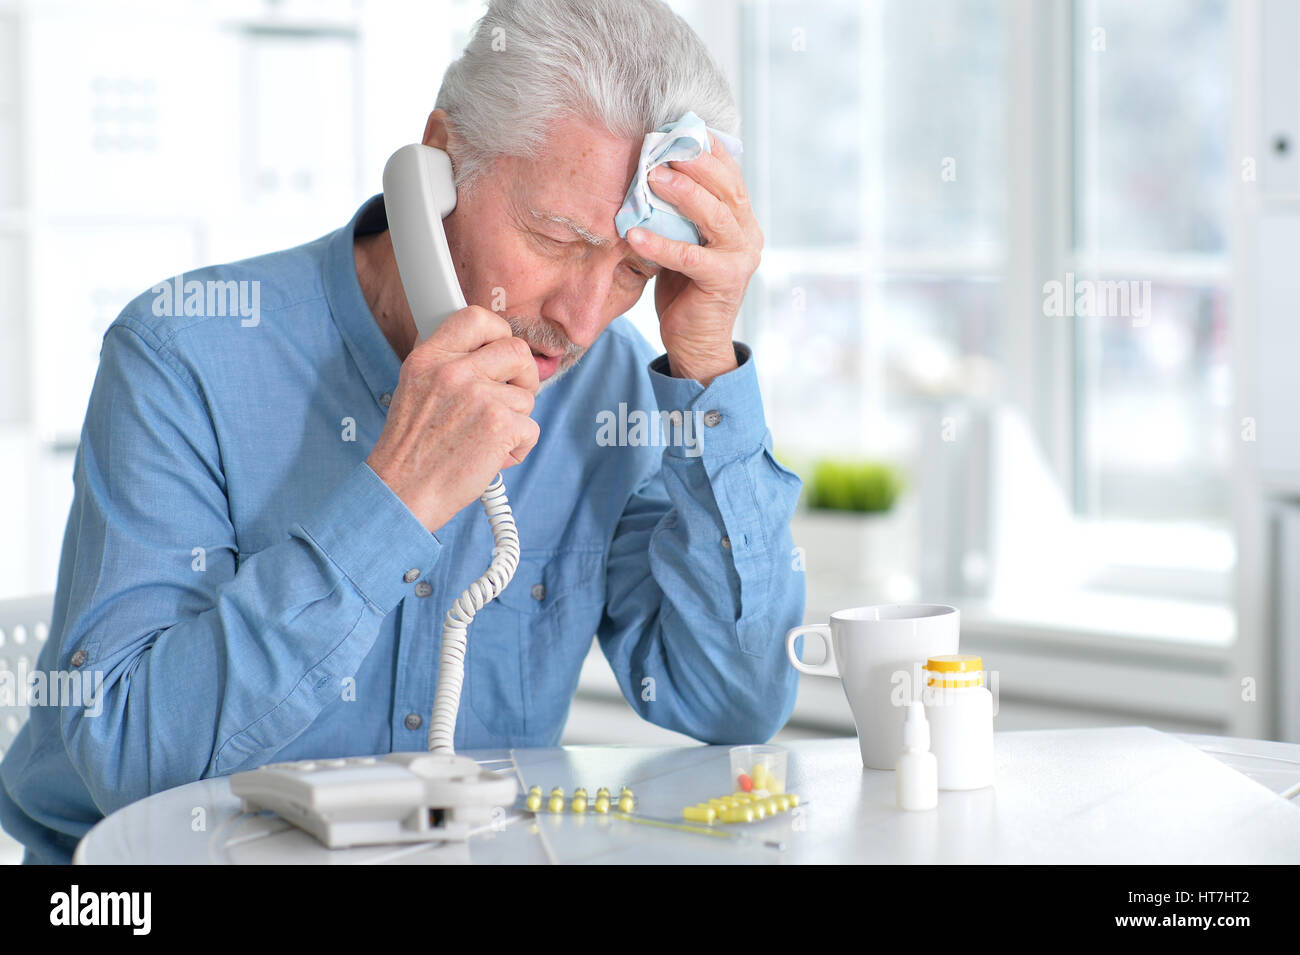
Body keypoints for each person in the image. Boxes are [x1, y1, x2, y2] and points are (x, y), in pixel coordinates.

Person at [0, 0, 803, 864]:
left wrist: (706, 367)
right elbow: (131, 760)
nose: (580, 317)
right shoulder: (180, 354)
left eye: (634, 270)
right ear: (441, 159)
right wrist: (396, 497)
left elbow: (732, 702)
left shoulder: (614, 390)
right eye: (556, 238)